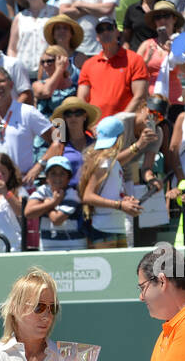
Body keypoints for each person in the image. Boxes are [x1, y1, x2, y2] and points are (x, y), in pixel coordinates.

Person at [80, 114, 141, 247]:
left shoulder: (113, 162)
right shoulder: (104, 162)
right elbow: (88, 196)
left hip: (116, 226)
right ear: (120, 138)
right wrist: (119, 205)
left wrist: (125, 200)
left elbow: (112, 192)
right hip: (104, 228)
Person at [77, 18, 148, 120]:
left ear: (117, 32)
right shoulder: (88, 64)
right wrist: (89, 124)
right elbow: (82, 99)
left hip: (125, 125)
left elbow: (140, 96)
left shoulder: (134, 59)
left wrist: (117, 122)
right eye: (101, 30)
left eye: (109, 28)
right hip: (94, 128)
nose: (105, 32)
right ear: (97, 37)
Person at [25, 155, 88, 250]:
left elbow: (57, 220)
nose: (57, 177)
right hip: (47, 249)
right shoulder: (42, 190)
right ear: (47, 177)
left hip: (73, 249)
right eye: (53, 173)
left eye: (62, 173)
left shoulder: (73, 195)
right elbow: (28, 213)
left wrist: (48, 204)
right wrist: (52, 203)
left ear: (69, 178)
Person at [7, 0, 56, 79]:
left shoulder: (55, 12)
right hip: (23, 74)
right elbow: (12, 48)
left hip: (49, 72)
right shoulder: (19, 17)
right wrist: (13, 69)